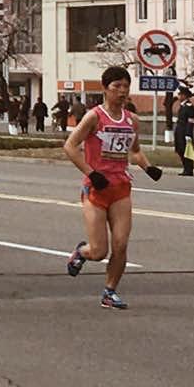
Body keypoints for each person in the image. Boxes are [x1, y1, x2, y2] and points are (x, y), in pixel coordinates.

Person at [63, 66, 163, 309]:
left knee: (121, 244)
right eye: (116, 86)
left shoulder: (132, 120)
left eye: (125, 86)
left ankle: (110, 291)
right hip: (96, 190)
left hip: (120, 189)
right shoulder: (94, 116)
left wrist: (149, 168)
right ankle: (81, 253)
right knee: (98, 251)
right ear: (105, 89)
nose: (122, 91)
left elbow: (135, 151)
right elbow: (70, 146)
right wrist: (91, 173)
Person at [173, 87, 194, 176]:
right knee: (180, 150)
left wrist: (188, 133)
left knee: (186, 151)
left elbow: (190, 121)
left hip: (185, 131)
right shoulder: (182, 106)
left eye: (180, 94)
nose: (178, 96)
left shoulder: (189, 107)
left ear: (184, 96)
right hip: (179, 131)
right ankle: (185, 168)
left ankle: (189, 169)